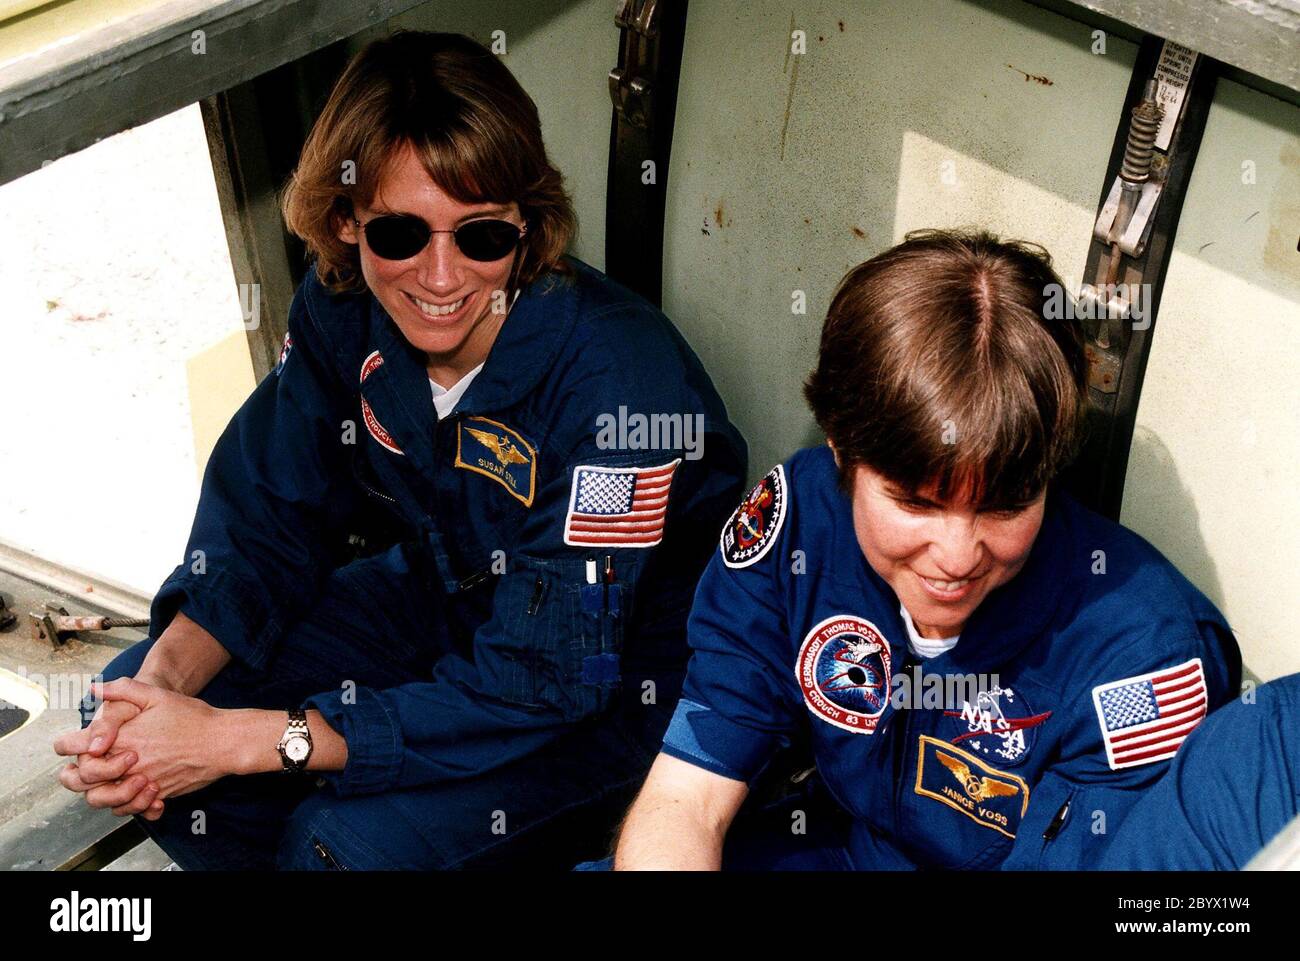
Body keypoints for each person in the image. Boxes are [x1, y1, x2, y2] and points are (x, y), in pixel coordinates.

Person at [53, 30, 747, 870]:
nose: (443, 276)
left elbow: (548, 677)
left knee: (337, 847)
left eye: (482, 235)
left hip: (612, 688)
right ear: (346, 222)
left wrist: (253, 741)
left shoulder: (617, 387)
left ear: (527, 225)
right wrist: (161, 691)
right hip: (444, 600)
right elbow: (268, 521)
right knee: (126, 726)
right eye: (400, 234)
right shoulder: (345, 309)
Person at [610, 229, 1241, 870]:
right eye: (916, 503)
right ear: (840, 449)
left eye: (1005, 505)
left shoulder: (1139, 657)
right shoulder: (800, 524)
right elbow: (688, 795)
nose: (959, 555)